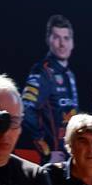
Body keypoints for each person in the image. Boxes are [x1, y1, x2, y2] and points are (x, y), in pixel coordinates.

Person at [22, 15, 78, 162]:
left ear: (72, 43)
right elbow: (26, 109)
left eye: (66, 38)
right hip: (54, 161)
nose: (62, 44)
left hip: (72, 157)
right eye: (57, 37)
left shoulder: (70, 75)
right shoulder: (42, 71)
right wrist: (46, 151)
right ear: (48, 40)